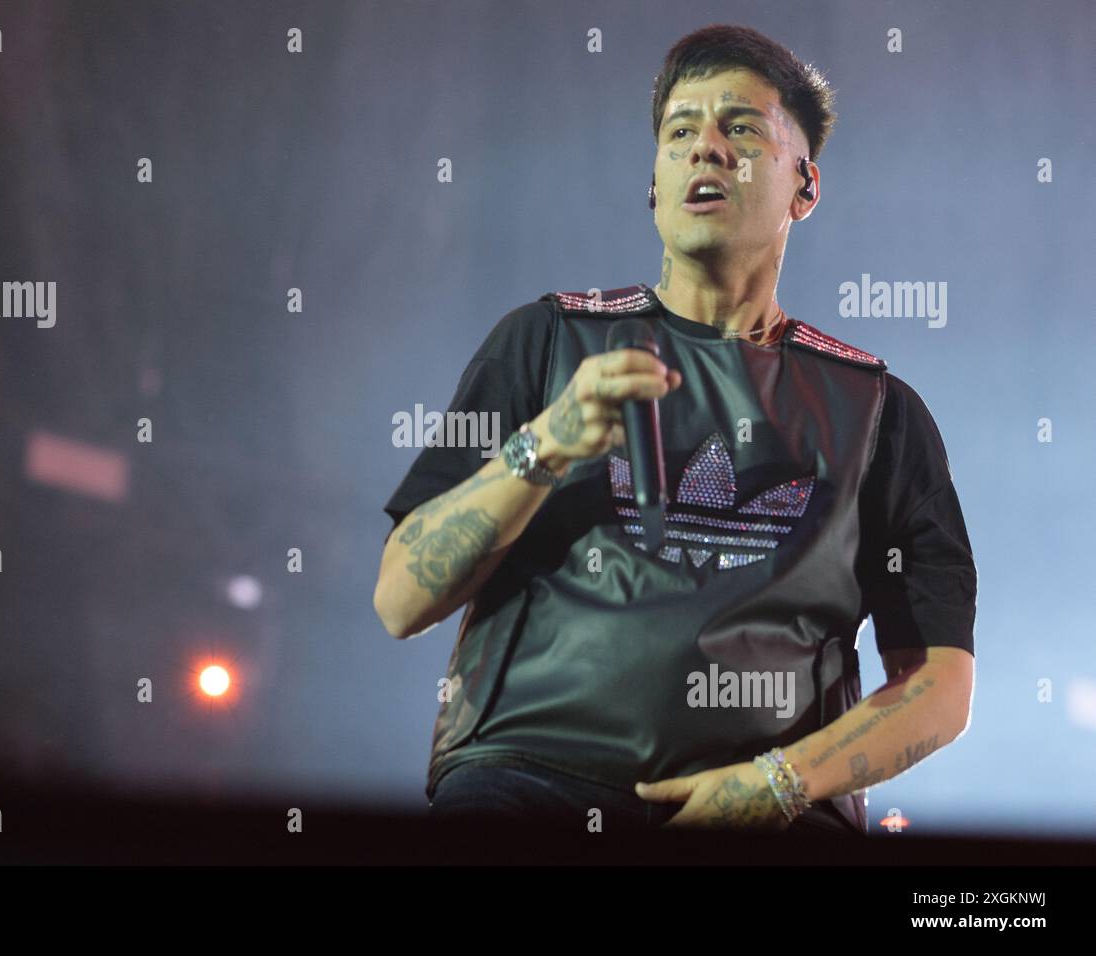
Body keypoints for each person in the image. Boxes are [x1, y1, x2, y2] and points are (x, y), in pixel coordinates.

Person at [374, 24, 976, 836]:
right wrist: (543, 445)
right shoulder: (546, 340)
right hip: (529, 780)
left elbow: (939, 684)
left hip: (774, 809)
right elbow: (400, 600)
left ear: (805, 185)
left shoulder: (880, 411)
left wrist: (786, 780)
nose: (706, 150)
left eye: (741, 129)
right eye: (680, 132)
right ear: (654, 186)